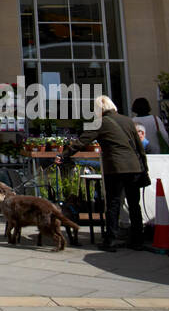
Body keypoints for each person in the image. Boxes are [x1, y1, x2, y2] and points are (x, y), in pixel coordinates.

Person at [62, 95, 148, 251]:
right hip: (134, 167)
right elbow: (139, 148)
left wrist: (63, 155)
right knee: (134, 204)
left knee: (113, 203)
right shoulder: (128, 121)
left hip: (115, 167)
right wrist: (144, 169)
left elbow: (82, 141)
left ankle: (111, 240)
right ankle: (137, 240)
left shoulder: (100, 122)